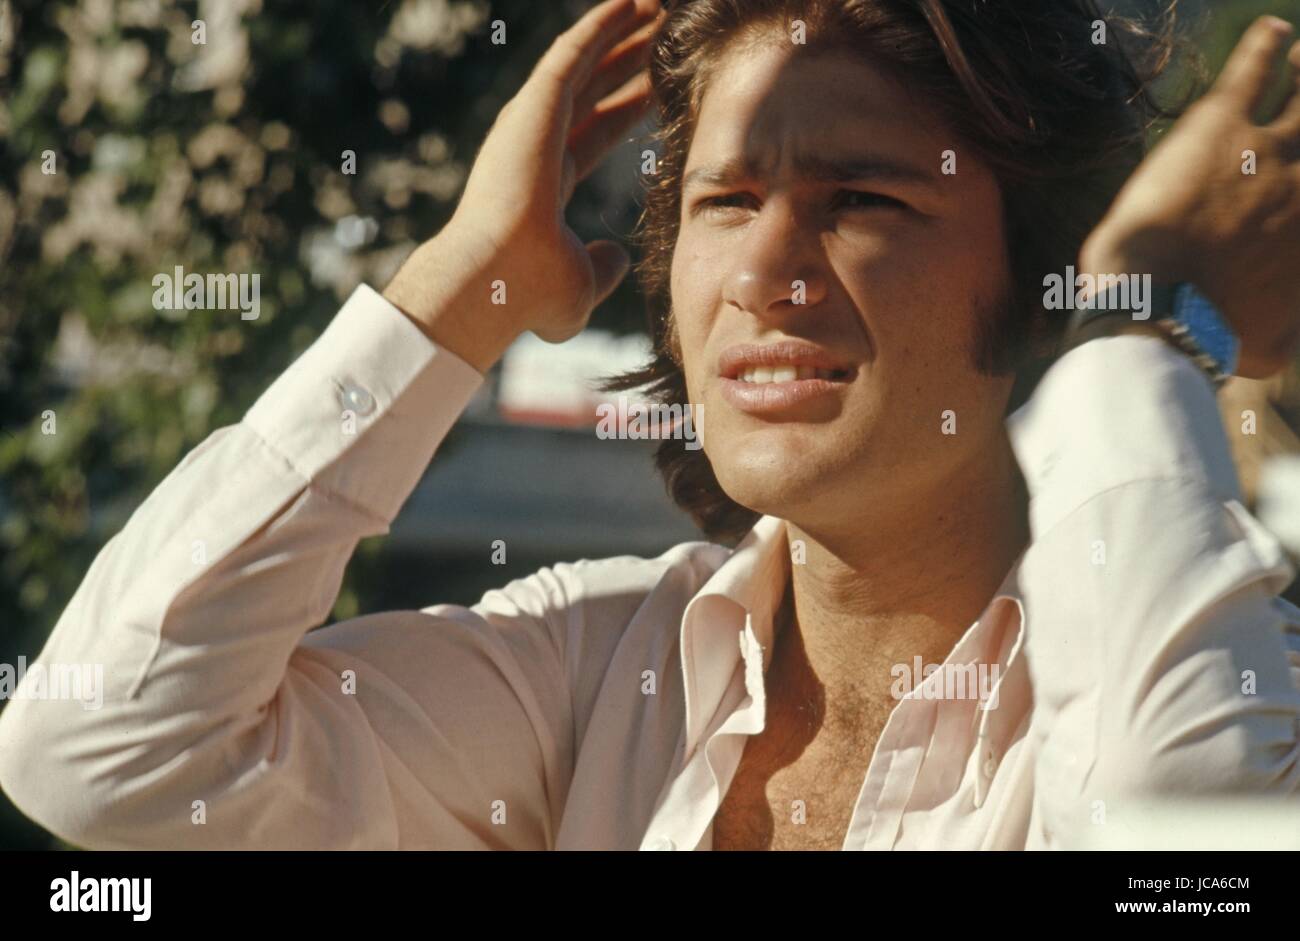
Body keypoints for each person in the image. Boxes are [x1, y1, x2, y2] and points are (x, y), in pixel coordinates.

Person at [2, 0, 1299, 850]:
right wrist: (464, 283)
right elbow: (98, 747)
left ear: (1033, 290)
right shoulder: (602, 670)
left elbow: (1190, 841)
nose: (764, 270)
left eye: (860, 198)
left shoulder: (1174, 676)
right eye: (727, 201)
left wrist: (1144, 332)